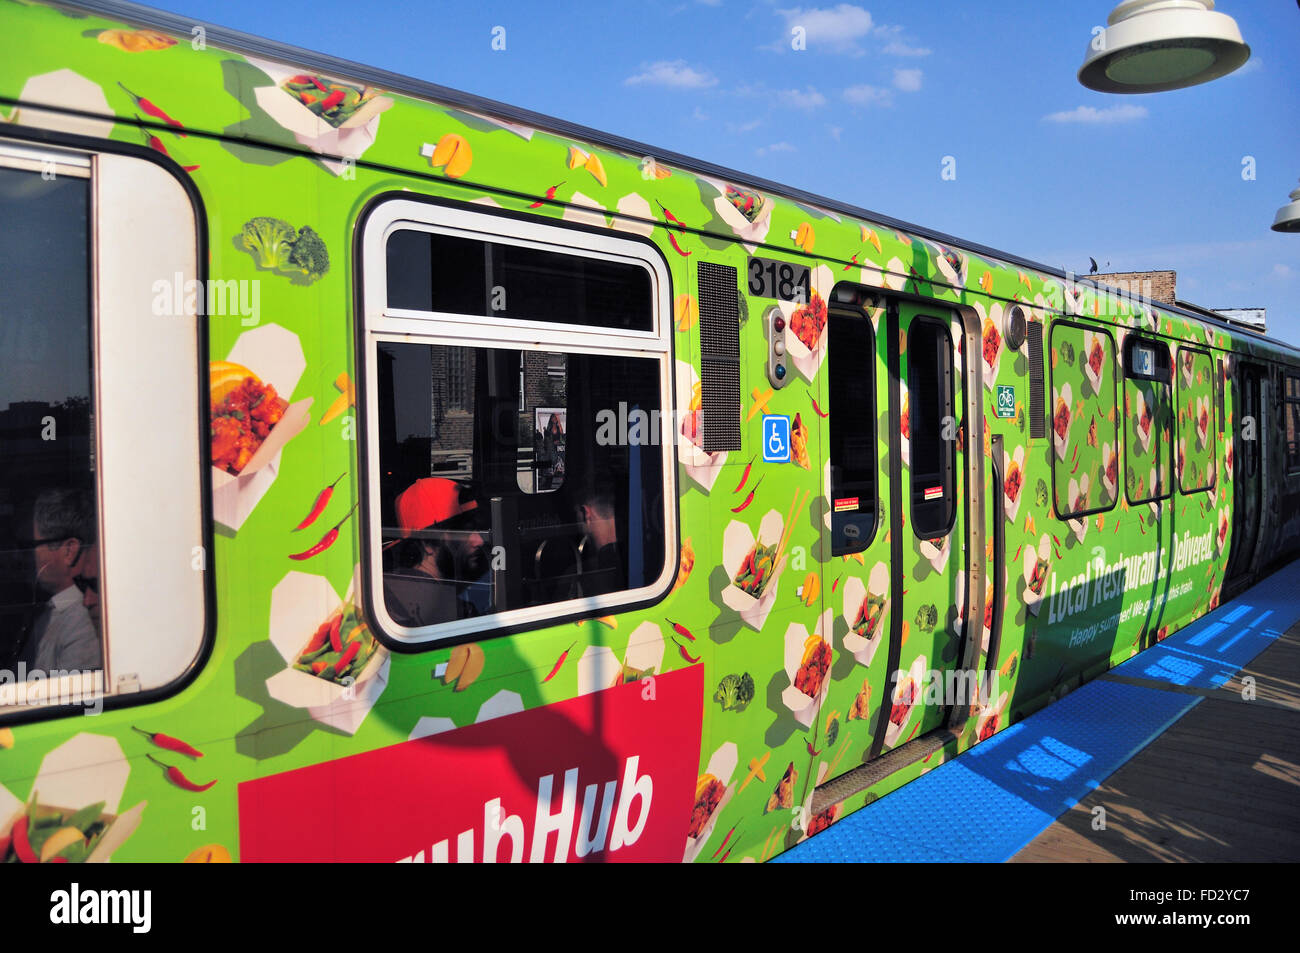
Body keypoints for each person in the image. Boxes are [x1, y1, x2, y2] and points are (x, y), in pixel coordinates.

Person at [382, 477, 492, 627]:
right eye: (465, 532)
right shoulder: (448, 611)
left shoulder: (390, 592)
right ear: (428, 543)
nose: (478, 540)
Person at [20, 487, 102, 675]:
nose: (22, 556)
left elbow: (75, 701)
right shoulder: (54, 610)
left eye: (30, 546)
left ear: (68, 551)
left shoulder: (85, 619)